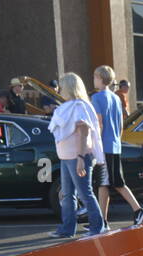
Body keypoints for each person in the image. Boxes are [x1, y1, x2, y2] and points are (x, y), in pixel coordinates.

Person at [47, 72, 106, 239]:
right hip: (67, 156)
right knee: (67, 194)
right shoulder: (69, 106)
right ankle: (67, 228)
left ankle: (97, 227)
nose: (59, 89)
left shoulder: (80, 106)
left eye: (61, 85)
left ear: (69, 87)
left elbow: (84, 132)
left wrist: (80, 158)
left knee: (84, 192)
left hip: (78, 156)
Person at [91, 65, 143, 227]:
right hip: (115, 144)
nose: (93, 79)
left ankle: (138, 210)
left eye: (95, 77)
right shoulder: (116, 97)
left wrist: (95, 146)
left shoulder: (97, 98)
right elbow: (120, 123)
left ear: (101, 79)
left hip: (104, 147)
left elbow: (99, 123)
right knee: (105, 183)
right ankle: (102, 220)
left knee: (115, 182)